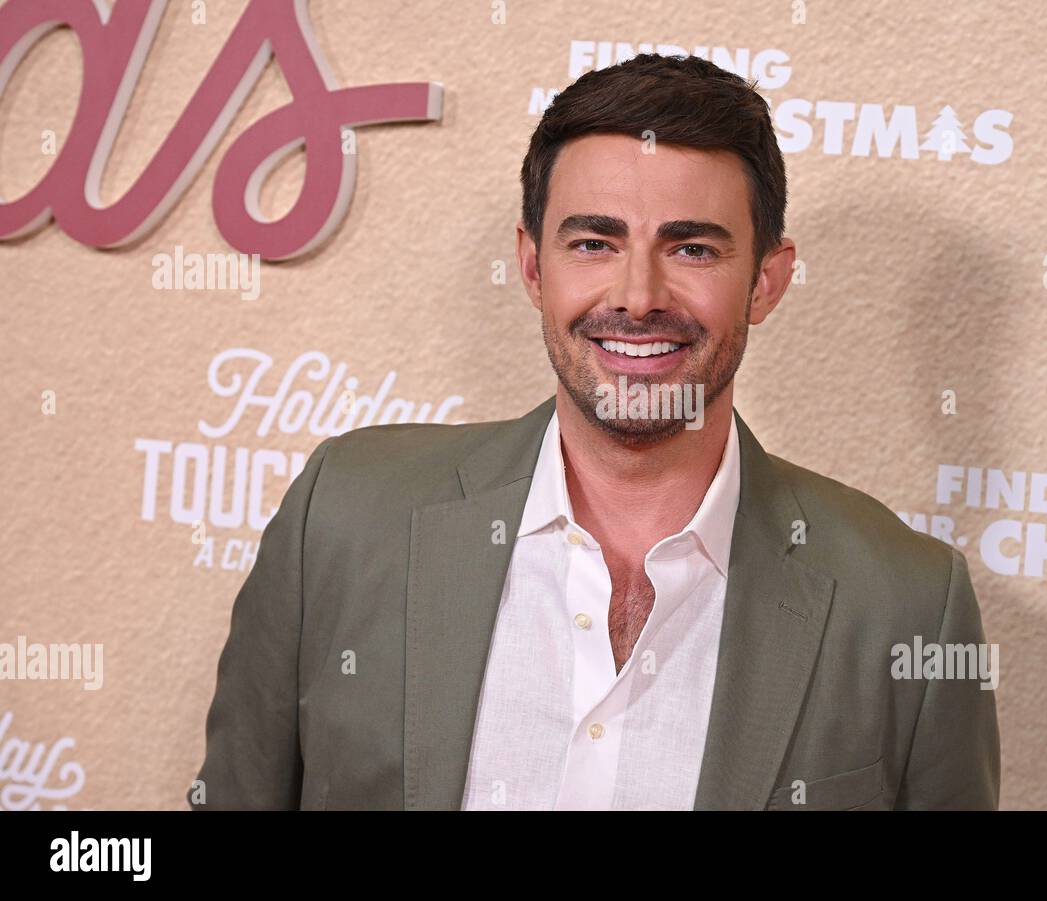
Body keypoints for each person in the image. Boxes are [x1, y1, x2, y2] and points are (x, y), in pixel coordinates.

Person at [190, 53, 998, 811]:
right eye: (593, 242)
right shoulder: (343, 516)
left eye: (691, 247)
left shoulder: (909, 604)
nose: (638, 295)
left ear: (766, 281)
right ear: (534, 266)